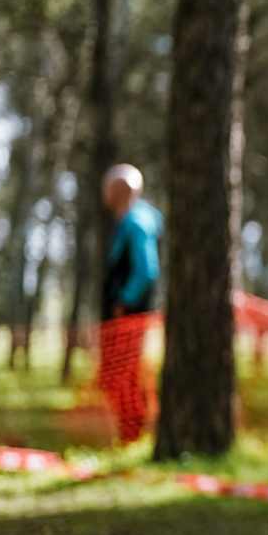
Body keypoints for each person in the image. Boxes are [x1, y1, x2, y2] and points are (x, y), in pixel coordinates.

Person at [99, 164, 161, 445]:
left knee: (127, 375)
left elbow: (146, 270)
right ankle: (130, 435)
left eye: (107, 186)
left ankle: (133, 436)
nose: (103, 192)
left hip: (129, 319)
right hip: (124, 318)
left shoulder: (137, 223)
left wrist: (124, 301)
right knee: (121, 376)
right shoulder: (127, 221)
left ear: (120, 190)